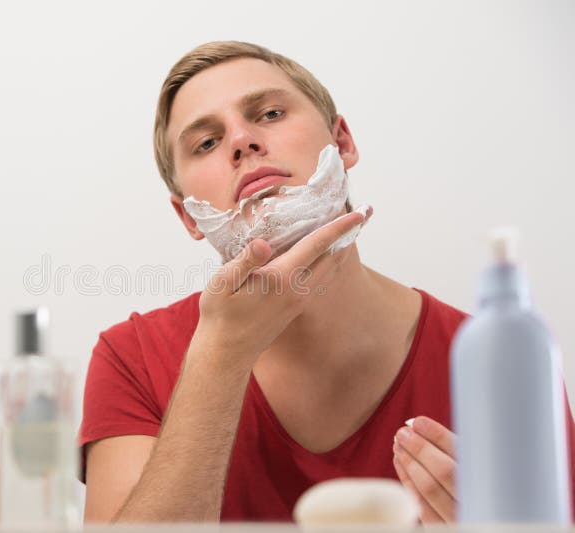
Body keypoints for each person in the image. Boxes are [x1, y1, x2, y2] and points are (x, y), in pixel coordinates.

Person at [78, 41, 575, 523]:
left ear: (342, 142)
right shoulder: (133, 360)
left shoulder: (500, 361)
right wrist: (221, 353)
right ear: (188, 217)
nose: (241, 142)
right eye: (206, 142)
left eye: (269, 114)